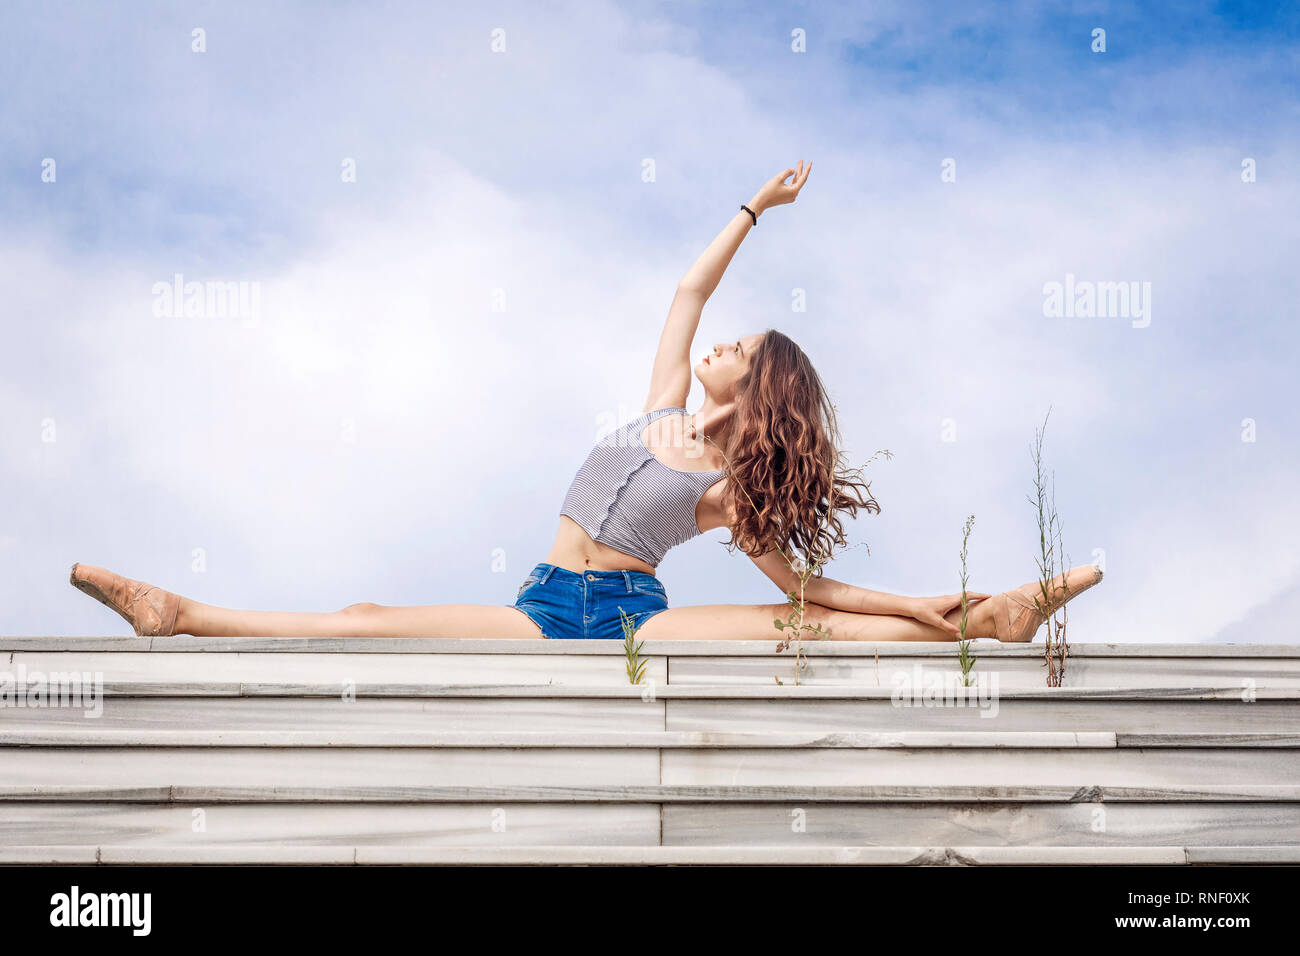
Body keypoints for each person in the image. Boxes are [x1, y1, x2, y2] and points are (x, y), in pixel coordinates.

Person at [70, 161, 1102, 642]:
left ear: (757, 390)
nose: (717, 343)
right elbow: (687, 292)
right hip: (538, 600)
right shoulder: (658, 401)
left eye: (737, 347)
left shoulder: (731, 487)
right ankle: (178, 609)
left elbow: (810, 587)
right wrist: (753, 207)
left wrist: (916, 600)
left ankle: (980, 616)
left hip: (622, 620)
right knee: (366, 615)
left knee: (796, 629)